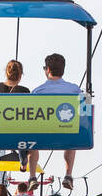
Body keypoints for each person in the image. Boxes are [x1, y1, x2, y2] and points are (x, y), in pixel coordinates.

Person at [24, 53, 82, 188]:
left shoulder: (38, 91)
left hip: (42, 133)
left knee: (32, 143)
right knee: (72, 141)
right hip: (66, 131)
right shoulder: (74, 89)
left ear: (48, 70)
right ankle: (68, 175)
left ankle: (32, 177)